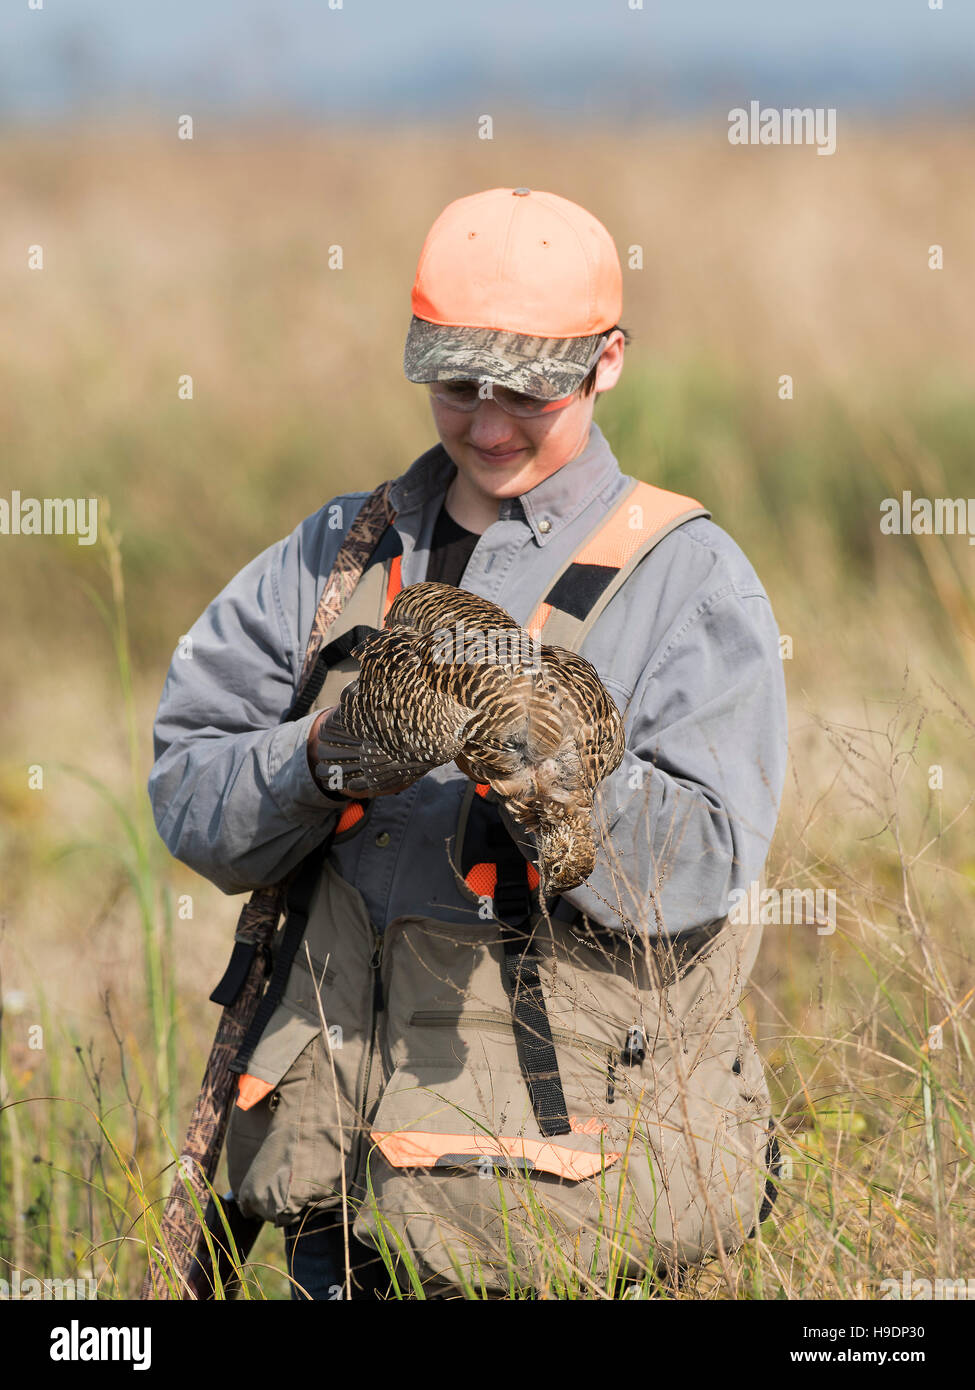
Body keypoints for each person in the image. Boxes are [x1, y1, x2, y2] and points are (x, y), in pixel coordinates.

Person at [148, 187, 788, 1300]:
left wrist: (550, 773)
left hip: (554, 1207)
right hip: (326, 1195)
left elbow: (704, 865)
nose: (487, 424)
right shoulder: (336, 558)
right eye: (457, 386)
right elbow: (186, 789)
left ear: (607, 361)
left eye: (525, 390)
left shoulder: (689, 577)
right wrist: (320, 761)